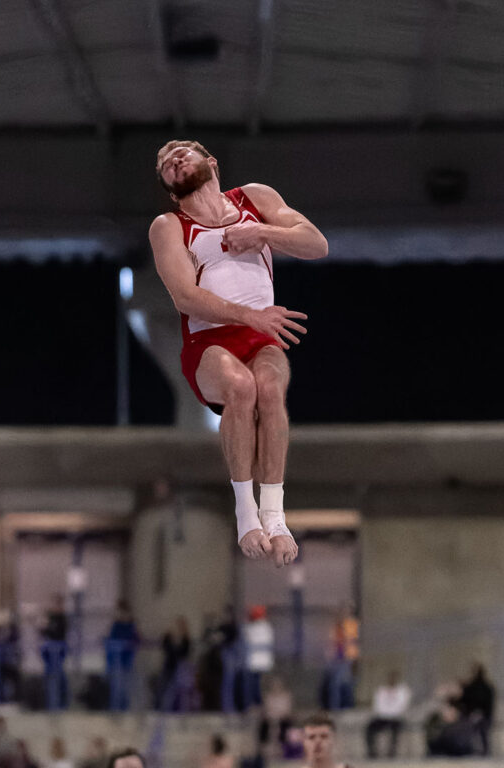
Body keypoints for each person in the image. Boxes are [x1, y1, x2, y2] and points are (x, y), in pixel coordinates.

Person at [149, 140, 328, 568]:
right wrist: (251, 316)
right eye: (164, 161)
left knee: (268, 386)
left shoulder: (256, 198)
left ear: (211, 162)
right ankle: (246, 512)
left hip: (260, 333)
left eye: (182, 151)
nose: (172, 156)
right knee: (241, 386)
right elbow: (184, 297)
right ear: (170, 188)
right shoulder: (169, 225)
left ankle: (276, 517)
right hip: (209, 342)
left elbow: (316, 244)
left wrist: (263, 232)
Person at [364, 670, 411, 759]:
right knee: (369, 727)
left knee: (395, 728)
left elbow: (402, 706)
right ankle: (372, 752)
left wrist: (390, 711)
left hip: (396, 718)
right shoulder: (381, 691)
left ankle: (392, 753)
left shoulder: (403, 691)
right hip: (383, 717)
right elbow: (377, 706)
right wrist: (386, 712)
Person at [455, 662, 495, 756]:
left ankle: (482, 751)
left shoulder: (485, 687)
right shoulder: (473, 687)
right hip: (473, 715)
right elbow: (464, 701)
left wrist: (480, 713)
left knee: (481, 732)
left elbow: (487, 703)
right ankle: (470, 749)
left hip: (483, 716)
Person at [243, 606, 274, 708]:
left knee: (255, 685)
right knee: (257, 684)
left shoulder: (254, 628)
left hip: (255, 661)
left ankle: (257, 703)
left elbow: (248, 642)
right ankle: (258, 703)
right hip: (261, 661)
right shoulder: (267, 627)